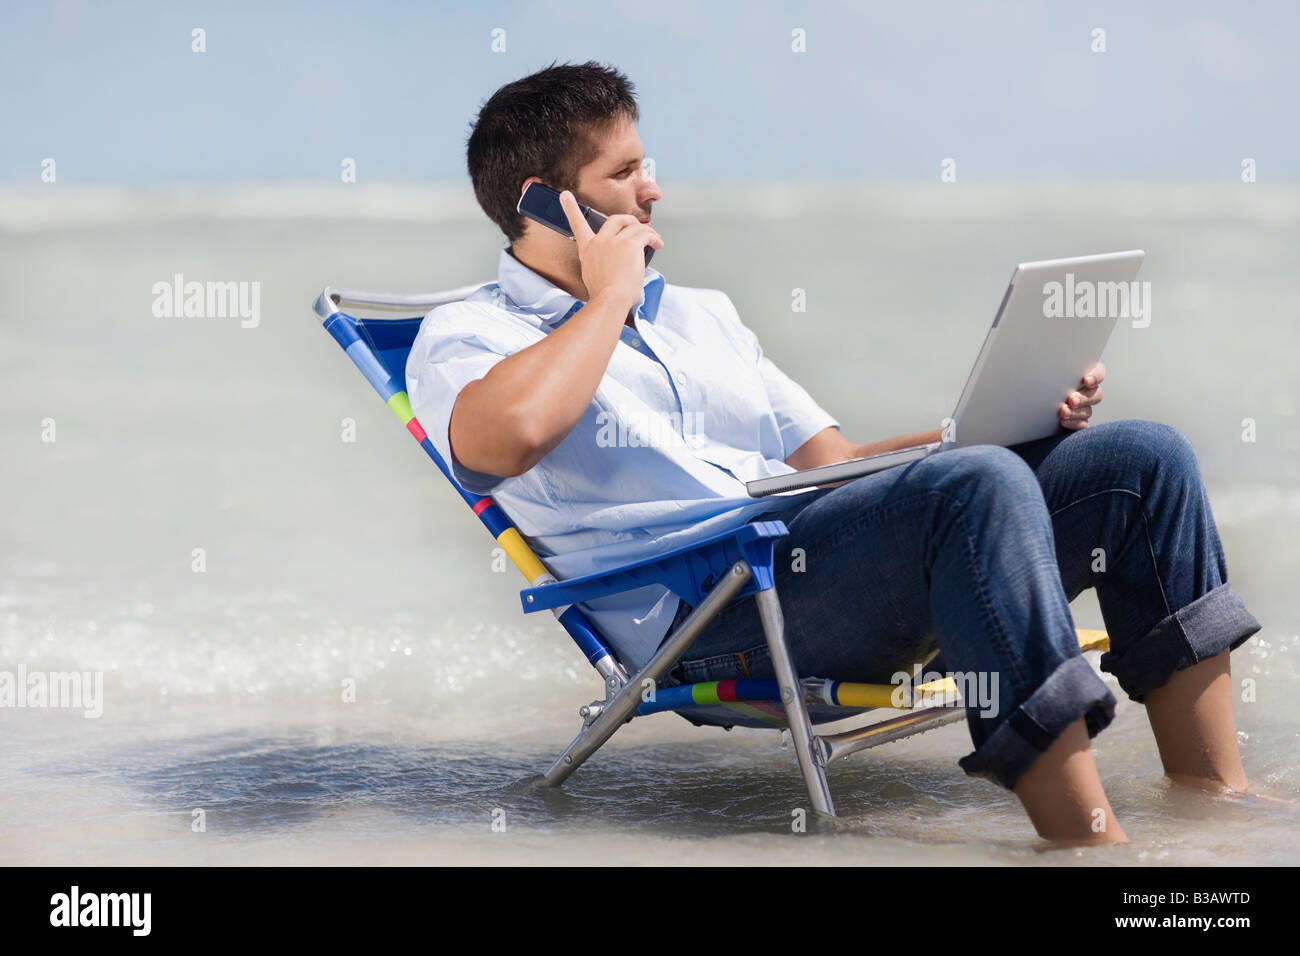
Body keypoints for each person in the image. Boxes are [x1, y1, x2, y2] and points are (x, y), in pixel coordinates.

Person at [405, 61, 1263, 846]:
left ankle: (1216, 796)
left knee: (1140, 461)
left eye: (646, 163)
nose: (654, 189)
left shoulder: (700, 316)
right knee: (978, 488)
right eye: (623, 174)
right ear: (545, 201)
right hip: (721, 618)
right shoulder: (467, 337)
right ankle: (1085, 839)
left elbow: (836, 460)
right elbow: (499, 445)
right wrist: (608, 301)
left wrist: (1001, 425)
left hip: (827, 566)